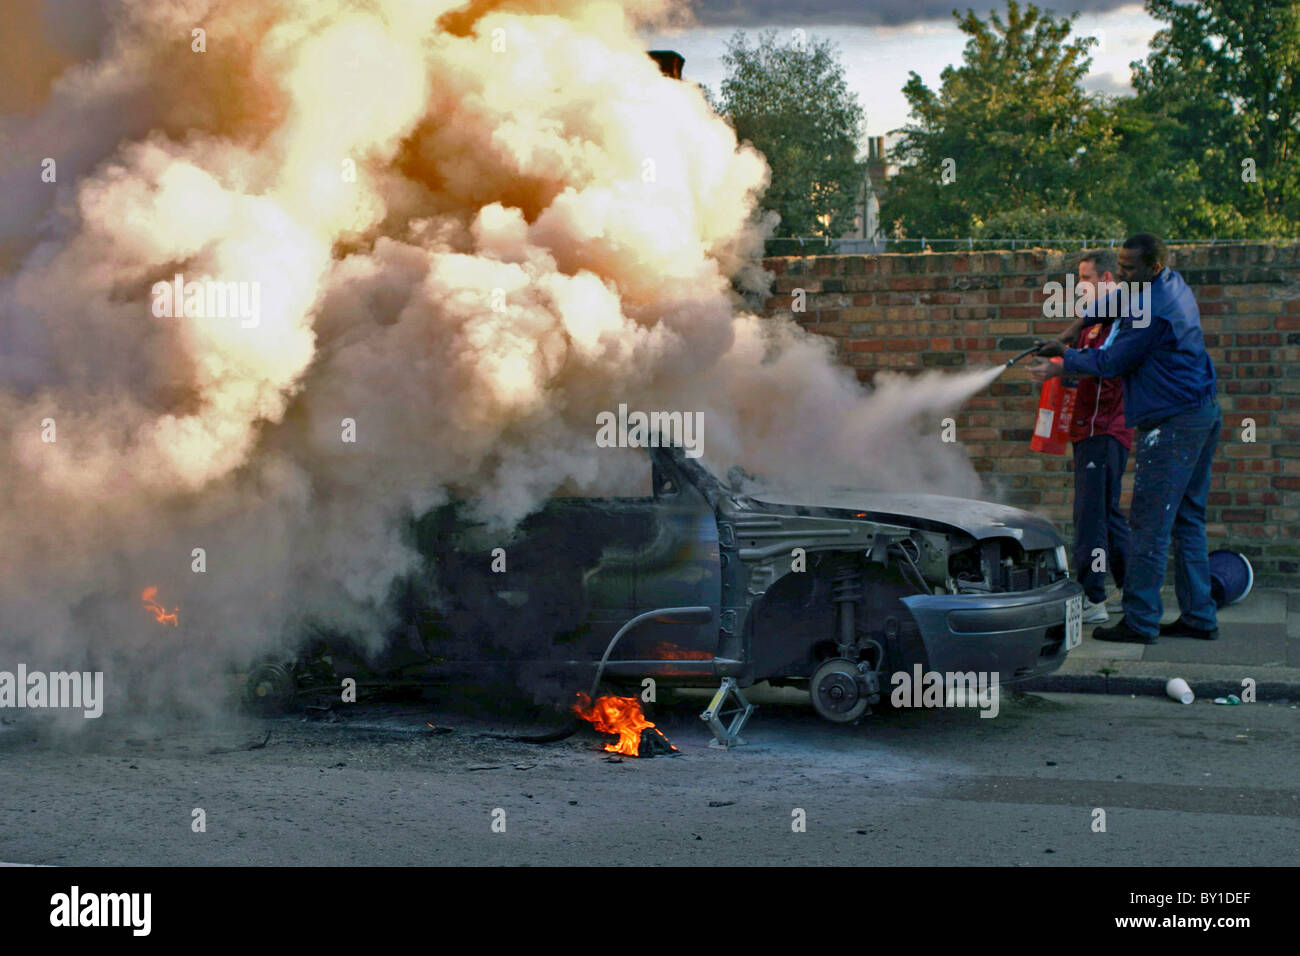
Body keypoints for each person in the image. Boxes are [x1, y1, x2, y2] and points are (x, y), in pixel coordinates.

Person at [1032, 234, 1220, 643]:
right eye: (1120, 266)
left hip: (1174, 423)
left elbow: (1112, 362)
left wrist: (1061, 363)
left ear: (1153, 266)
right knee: (1187, 518)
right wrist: (1075, 329)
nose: (1122, 275)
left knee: (1149, 524)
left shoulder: (1152, 309)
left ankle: (1140, 621)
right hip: (1201, 412)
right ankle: (1200, 616)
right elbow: (1115, 302)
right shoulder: (1165, 283)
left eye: (1130, 269)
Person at [1052, 249, 1133, 624]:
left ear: (1106, 280)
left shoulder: (1119, 320)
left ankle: (1092, 598)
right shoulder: (1090, 323)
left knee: (1090, 516)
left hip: (1104, 430)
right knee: (1108, 514)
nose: (1079, 285)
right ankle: (1134, 594)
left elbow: (1106, 368)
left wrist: (1063, 362)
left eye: (1085, 278)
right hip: (1088, 429)